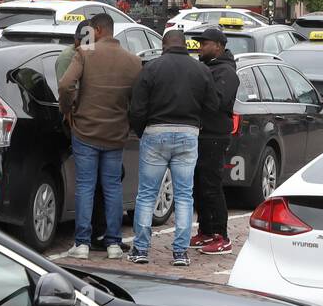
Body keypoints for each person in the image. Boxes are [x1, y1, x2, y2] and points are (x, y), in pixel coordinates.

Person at [128, 28, 219, 265]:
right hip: (188, 133)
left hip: (155, 132)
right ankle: (180, 252)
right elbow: (213, 106)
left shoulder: (151, 68)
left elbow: (137, 108)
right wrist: (197, 125)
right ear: (185, 45)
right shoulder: (201, 70)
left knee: (147, 193)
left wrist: (141, 131)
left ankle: (140, 249)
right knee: (184, 195)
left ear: (164, 45)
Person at [58, 13, 142, 260]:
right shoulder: (133, 61)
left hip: (85, 129)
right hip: (116, 132)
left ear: (97, 30)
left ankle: (82, 242)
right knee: (112, 187)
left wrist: (68, 109)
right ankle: (114, 243)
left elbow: (65, 85)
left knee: (86, 185)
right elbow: (137, 99)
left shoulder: (85, 53)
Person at [191, 28, 240, 256]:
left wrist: (198, 88)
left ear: (218, 46)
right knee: (199, 186)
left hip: (214, 136)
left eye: (205, 44)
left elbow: (218, 102)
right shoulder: (207, 68)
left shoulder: (226, 72)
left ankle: (222, 236)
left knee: (212, 186)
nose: (200, 47)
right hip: (201, 134)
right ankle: (206, 230)